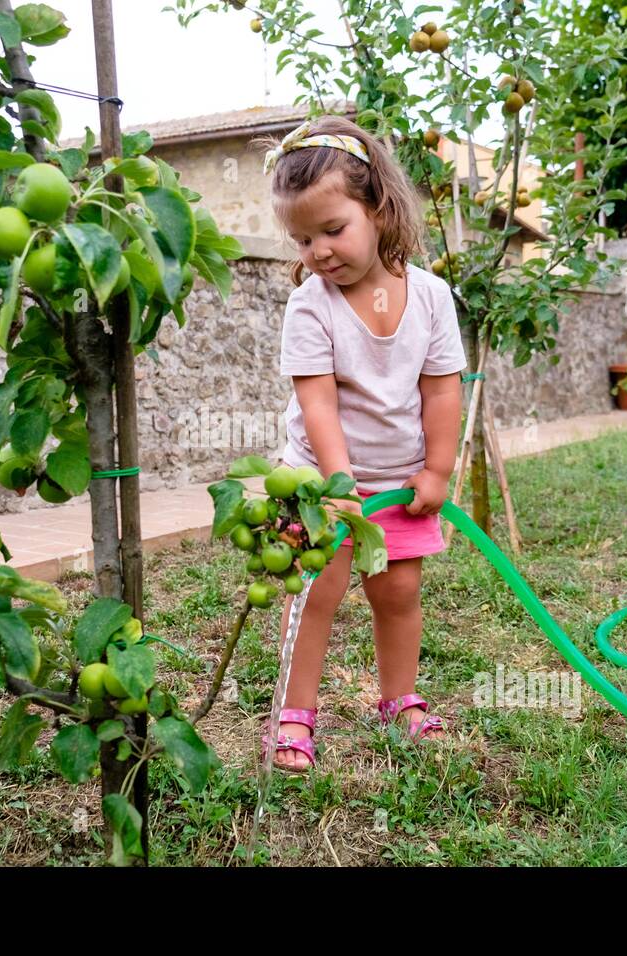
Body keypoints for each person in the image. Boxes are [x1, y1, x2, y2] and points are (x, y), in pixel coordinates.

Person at [256, 116, 468, 772]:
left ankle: (399, 700)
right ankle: (294, 715)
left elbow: (441, 389)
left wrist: (437, 468)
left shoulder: (431, 297)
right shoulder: (311, 306)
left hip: (400, 482)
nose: (317, 250)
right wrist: (338, 485)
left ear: (378, 206)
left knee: (398, 593)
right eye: (302, 239)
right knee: (313, 594)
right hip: (321, 482)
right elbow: (317, 402)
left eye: (332, 229)